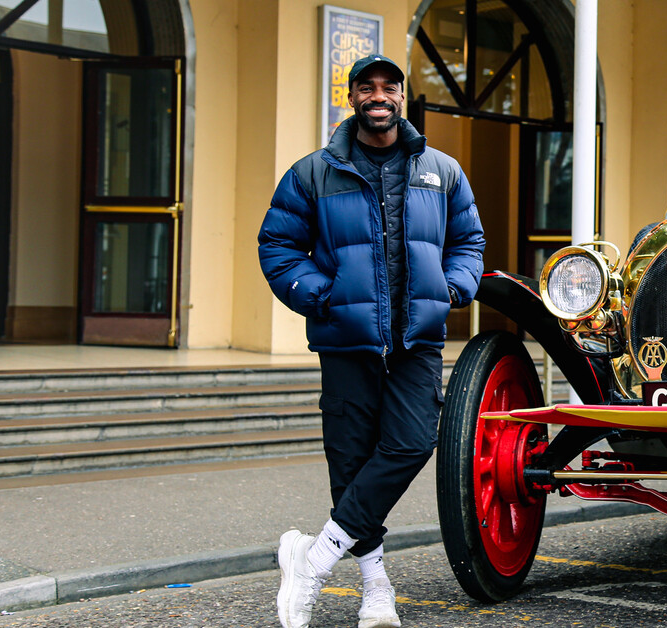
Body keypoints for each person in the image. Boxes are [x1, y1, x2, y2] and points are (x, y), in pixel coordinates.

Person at [258, 54, 485, 628]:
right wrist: (322, 295)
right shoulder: (313, 173)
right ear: (352, 96)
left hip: (417, 338)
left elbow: (469, 241)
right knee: (350, 460)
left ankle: (313, 560)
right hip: (346, 339)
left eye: (389, 86)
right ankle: (376, 586)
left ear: (402, 97)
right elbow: (278, 246)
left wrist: (451, 288)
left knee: (413, 443)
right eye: (367, 86)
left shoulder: (442, 170)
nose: (378, 95)